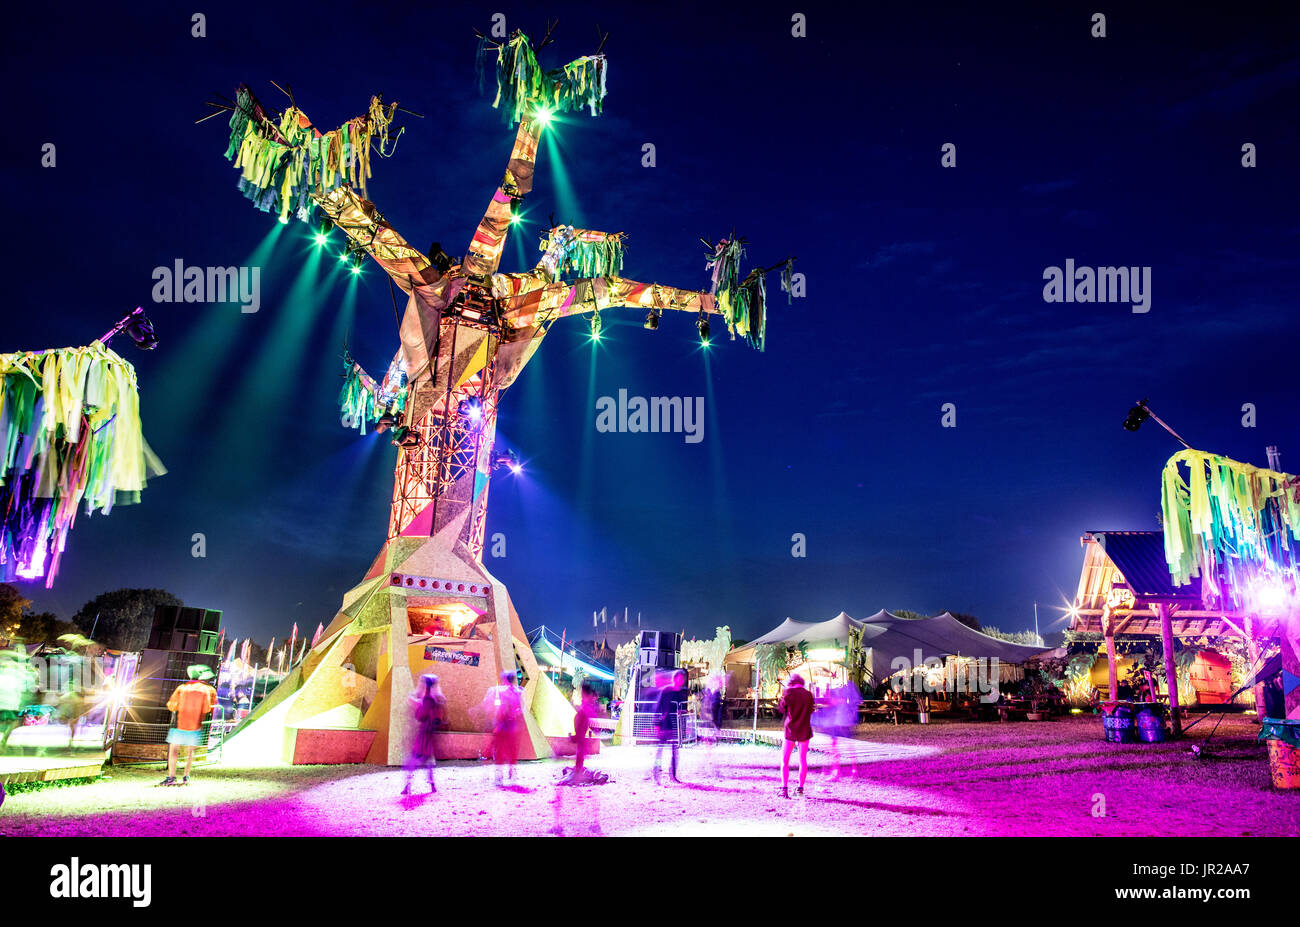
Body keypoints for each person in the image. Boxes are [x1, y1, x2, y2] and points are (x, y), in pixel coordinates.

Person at [159, 664, 218, 786]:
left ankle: (171, 776)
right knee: (190, 753)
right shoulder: (205, 690)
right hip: (195, 726)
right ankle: (186, 776)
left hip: (180, 725)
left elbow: (172, 705)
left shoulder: (182, 688)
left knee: (173, 751)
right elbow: (206, 708)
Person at [403, 673, 448, 795]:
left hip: (424, 732)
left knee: (414, 757)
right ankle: (432, 785)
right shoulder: (434, 698)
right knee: (427, 759)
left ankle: (407, 785)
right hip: (428, 732)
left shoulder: (428, 698)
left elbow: (421, 715)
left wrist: (416, 705)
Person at [778, 673, 814, 798]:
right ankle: (800, 789)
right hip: (804, 729)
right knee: (802, 760)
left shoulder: (788, 693)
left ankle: (784, 789)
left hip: (791, 730)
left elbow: (781, 709)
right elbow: (811, 710)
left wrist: (782, 697)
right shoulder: (808, 694)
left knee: (785, 761)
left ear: (791, 682)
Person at [489, 670, 525, 787]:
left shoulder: (499, 691)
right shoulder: (518, 692)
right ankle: (513, 774)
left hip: (502, 726)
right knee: (512, 751)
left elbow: (497, 710)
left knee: (499, 751)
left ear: (504, 679)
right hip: (514, 727)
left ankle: (499, 776)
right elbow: (521, 710)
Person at [651, 669, 688, 784]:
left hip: (674, 725)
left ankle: (673, 775)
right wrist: (656, 724)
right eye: (680, 678)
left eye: (683, 678)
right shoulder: (666, 691)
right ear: (675, 678)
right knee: (660, 750)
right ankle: (656, 773)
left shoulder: (682, 693)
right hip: (664, 724)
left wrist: (683, 712)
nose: (681, 680)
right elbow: (659, 708)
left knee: (675, 751)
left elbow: (680, 708)